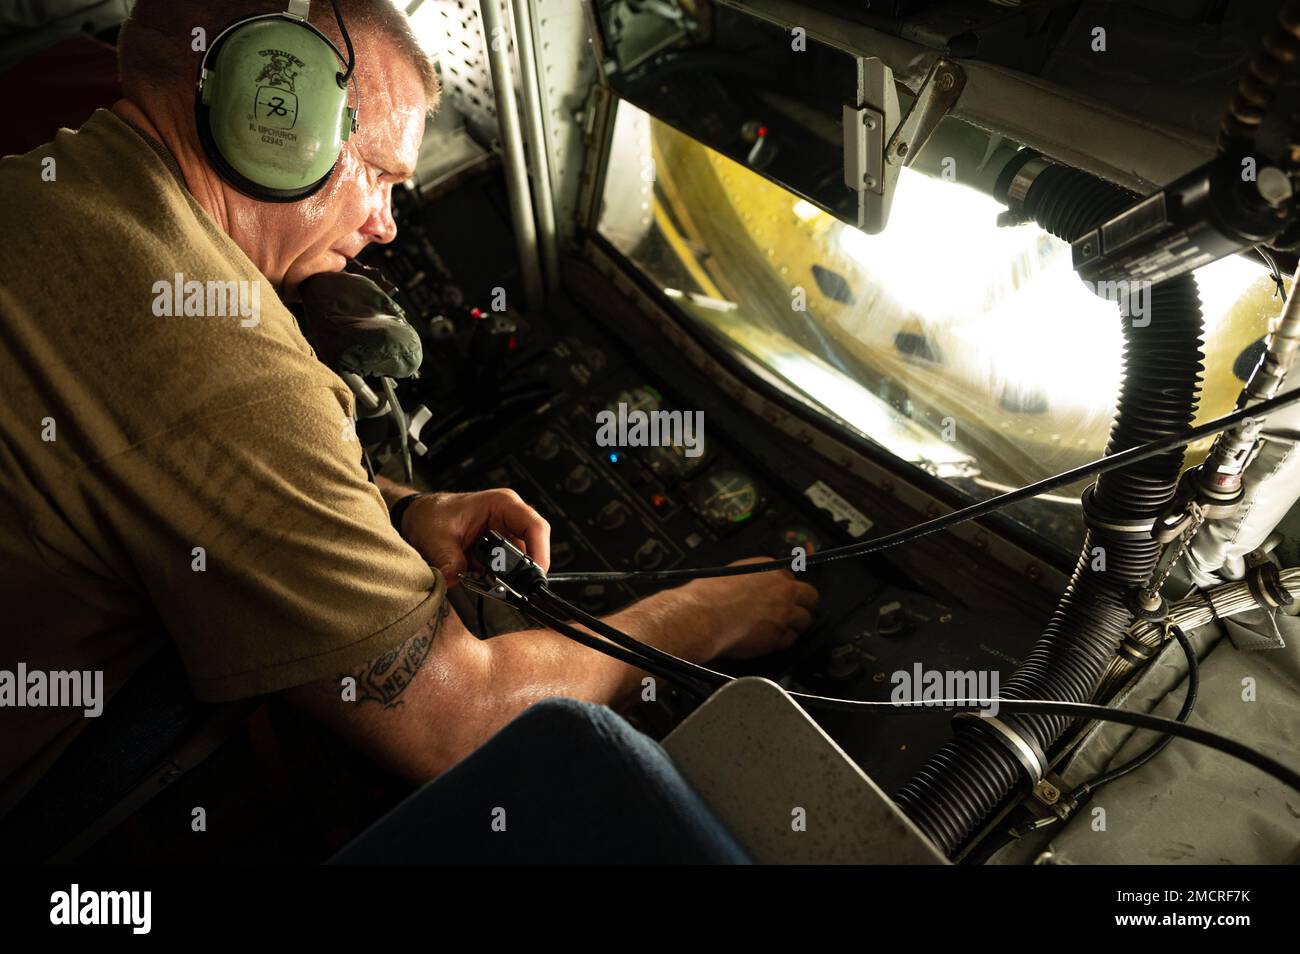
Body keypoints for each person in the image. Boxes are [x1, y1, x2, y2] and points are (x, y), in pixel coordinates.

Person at [0, 0, 818, 826]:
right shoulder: (228, 367)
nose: (387, 225)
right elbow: (463, 722)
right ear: (273, 115)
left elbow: (158, 461)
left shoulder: (55, 179)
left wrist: (406, 508)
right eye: (383, 174)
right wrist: (702, 617)